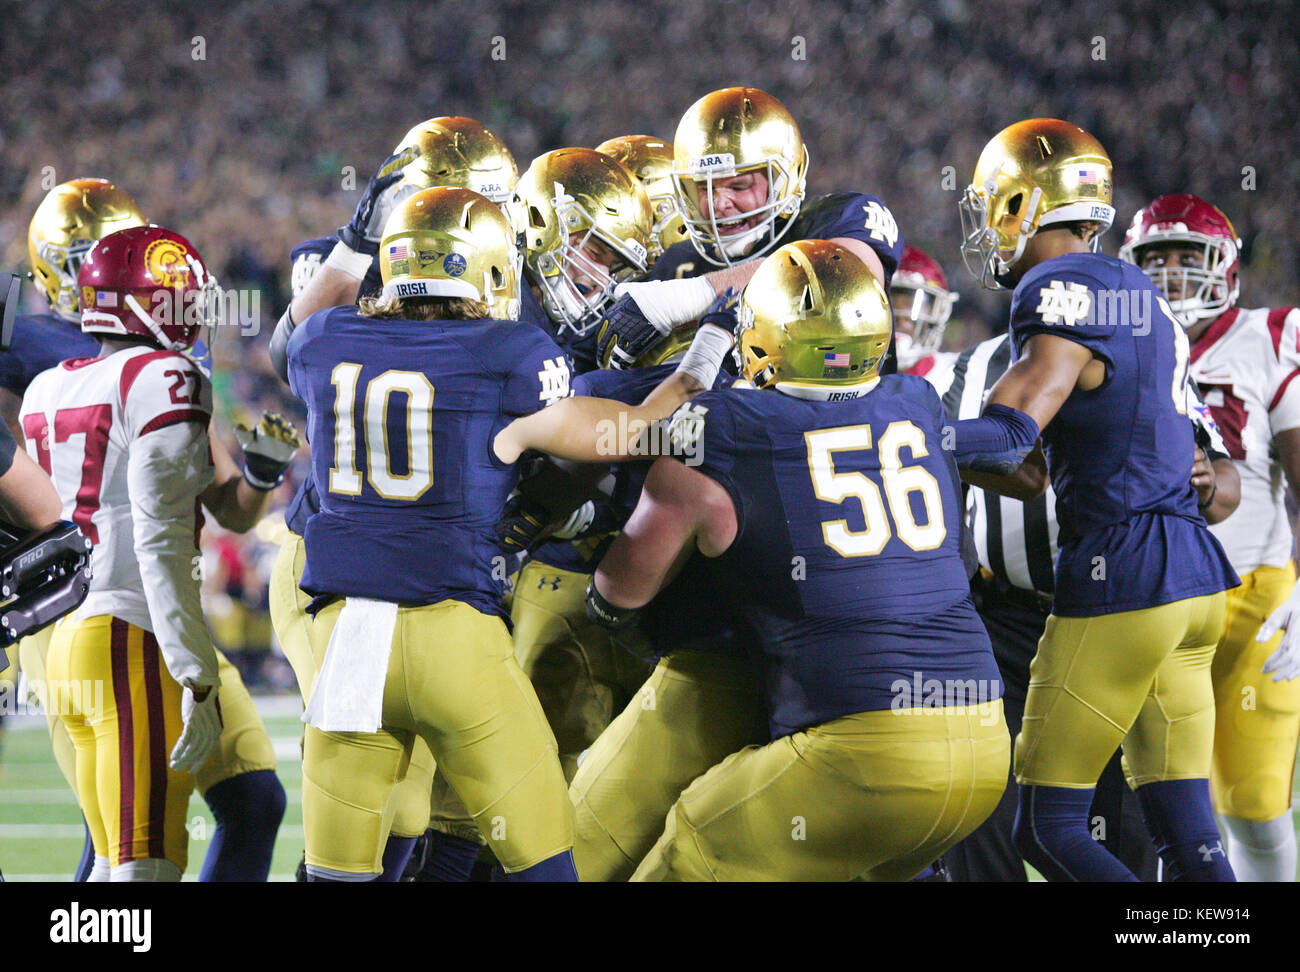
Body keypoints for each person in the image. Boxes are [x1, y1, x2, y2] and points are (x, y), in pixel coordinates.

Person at [286, 186, 727, 881]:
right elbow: (620, 435)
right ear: (491, 271)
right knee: (544, 858)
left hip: (345, 640)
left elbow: (293, 333)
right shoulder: (506, 353)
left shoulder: (323, 341)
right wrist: (691, 374)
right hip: (453, 638)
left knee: (336, 872)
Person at [587, 239, 1007, 880]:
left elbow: (618, 594)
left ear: (763, 337)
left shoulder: (724, 427)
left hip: (865, 754)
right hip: (984, 741)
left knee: (695, 841)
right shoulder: (915, 403)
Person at [953, 118, 1239, 881]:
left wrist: (916, 440)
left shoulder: (1060, 285)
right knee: (1189, 840)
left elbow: (1008, 438)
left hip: (1124, 574)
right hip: (1195, 580)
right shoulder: (1140, 292)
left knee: (1046, 827)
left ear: (1022, 204)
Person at [10, 179, 291, 881]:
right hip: (121, 621)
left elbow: (217, 501)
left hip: (124, 614)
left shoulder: (67, 378)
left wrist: (257, 477)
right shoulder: (31, 341)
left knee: (249, 802)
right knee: (128, 853)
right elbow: (159, 535)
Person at [20, 225, 227, 881]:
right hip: (127, 638)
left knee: (111, 867)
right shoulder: (165, 375)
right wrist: (196, 670)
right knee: (147, 871)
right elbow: (160, 535)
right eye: (178, 295)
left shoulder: (48, 385)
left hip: (63, 644)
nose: (191, 308)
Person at [1121, 193, 1300, 881]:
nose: (1169, 272)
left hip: (1256, 597)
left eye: (1186, 256)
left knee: (1254, 800)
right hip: (1157, 599)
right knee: (1172, 804)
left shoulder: (1267, 338)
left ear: (1223, 265)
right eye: (1154, 258)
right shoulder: (1117, 344)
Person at [595, 86, 904, 372]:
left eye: (739, 185)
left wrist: (697, 292)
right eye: (704, 188)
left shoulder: (838, 220)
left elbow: (841, 276)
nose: (719, 204)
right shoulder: (679, 262)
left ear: (785, 179)